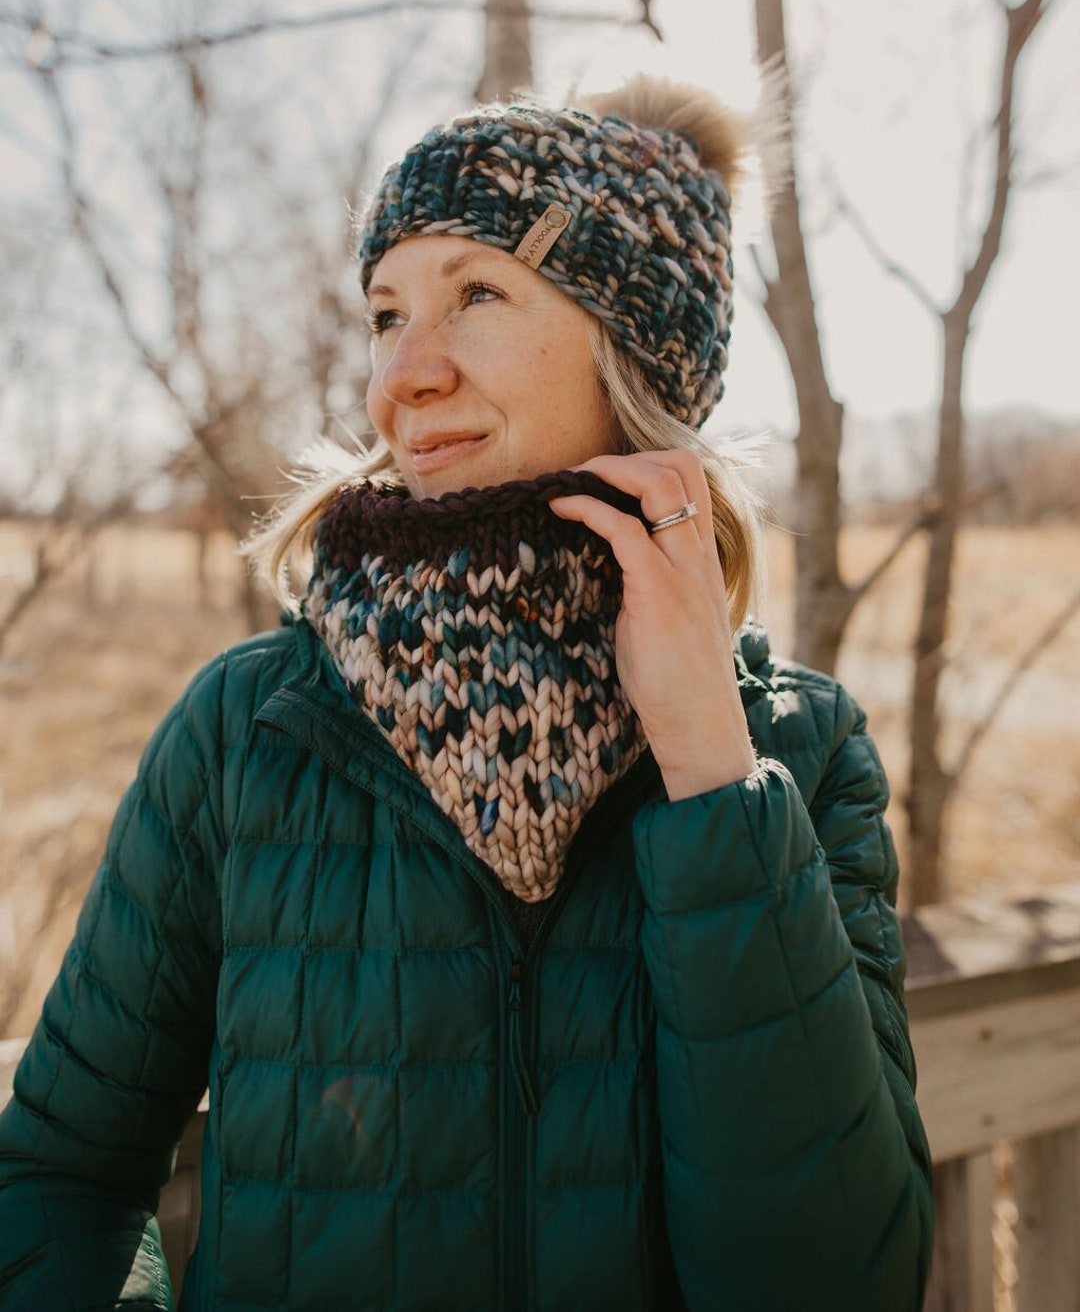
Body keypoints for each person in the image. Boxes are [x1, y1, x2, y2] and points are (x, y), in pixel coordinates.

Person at [0, 75, 934, 1311]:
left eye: (477, 294)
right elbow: (58, 1176)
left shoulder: (797, 754)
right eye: (386, 315)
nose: (405, 375)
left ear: (632, 351)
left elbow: (838, 1282)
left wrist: (712, 772)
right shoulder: (250, 729)